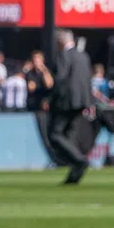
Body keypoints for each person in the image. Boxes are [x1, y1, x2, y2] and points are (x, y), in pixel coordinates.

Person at [42, 31, 93, 183]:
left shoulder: (64, 55)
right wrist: (89, 102)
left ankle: (79, 161)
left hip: (66, 101)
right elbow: (87, 80)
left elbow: (60, 79)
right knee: (70, 135)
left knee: (55, 134)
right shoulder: (83, 56)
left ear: (61, 42)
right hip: (81, 101)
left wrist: (49, 98)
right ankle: (75, 173)